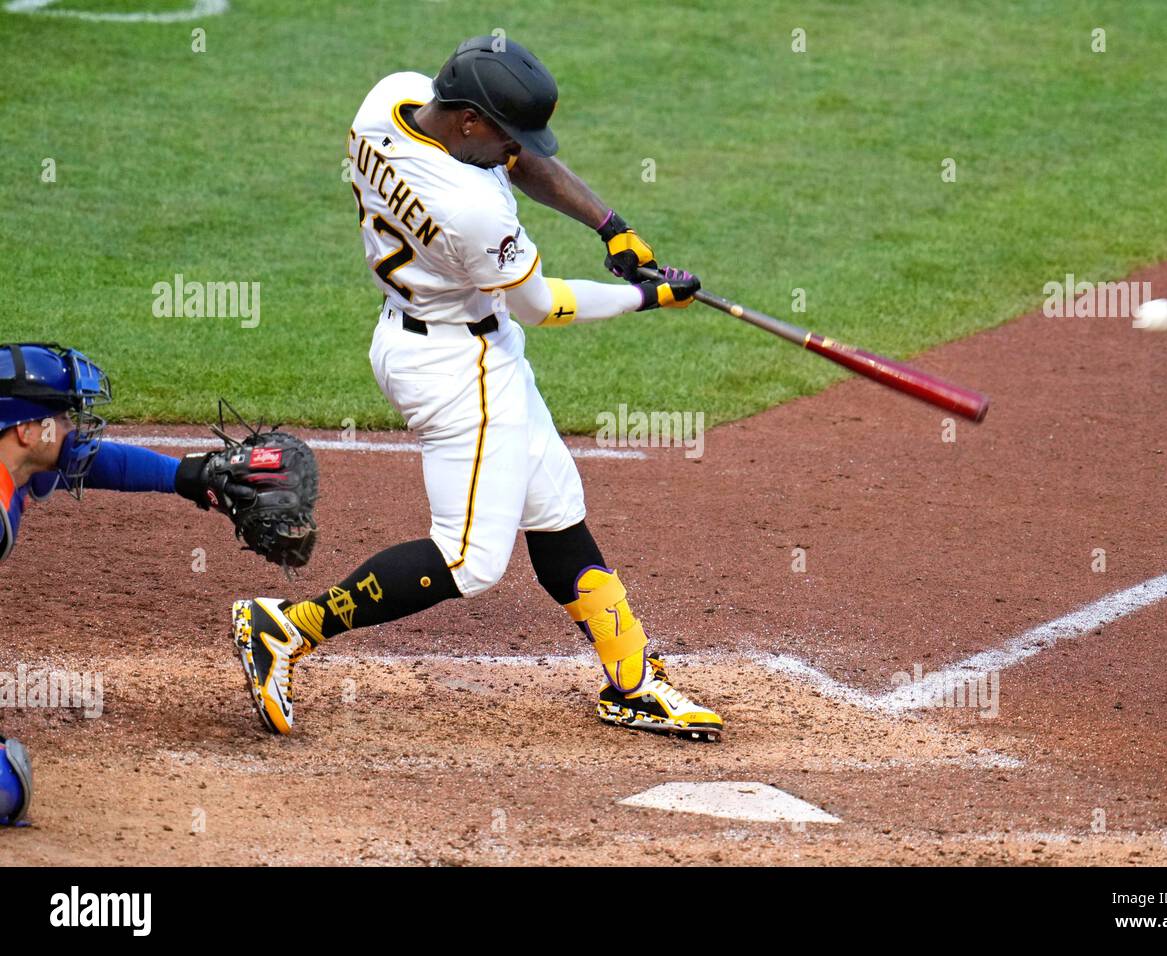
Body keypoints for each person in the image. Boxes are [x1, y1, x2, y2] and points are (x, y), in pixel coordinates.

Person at [230, 35, 723, 742]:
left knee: (554, 509)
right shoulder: (471, 209)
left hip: (424, 335)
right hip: (462, 369)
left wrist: (611, 227)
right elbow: (540, 305)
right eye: (506, 134)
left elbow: (518, 160)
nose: (516, 149)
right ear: (467, 122)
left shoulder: (391, 98)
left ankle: (633, 682)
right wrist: (647, 299)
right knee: (468, 559)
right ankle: (288, 628)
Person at [0, 342, 317, 823]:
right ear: (26, 431)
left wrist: (191, 476)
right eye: (62, 417)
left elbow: (103, 463)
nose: (73, 428)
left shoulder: (15, 465)